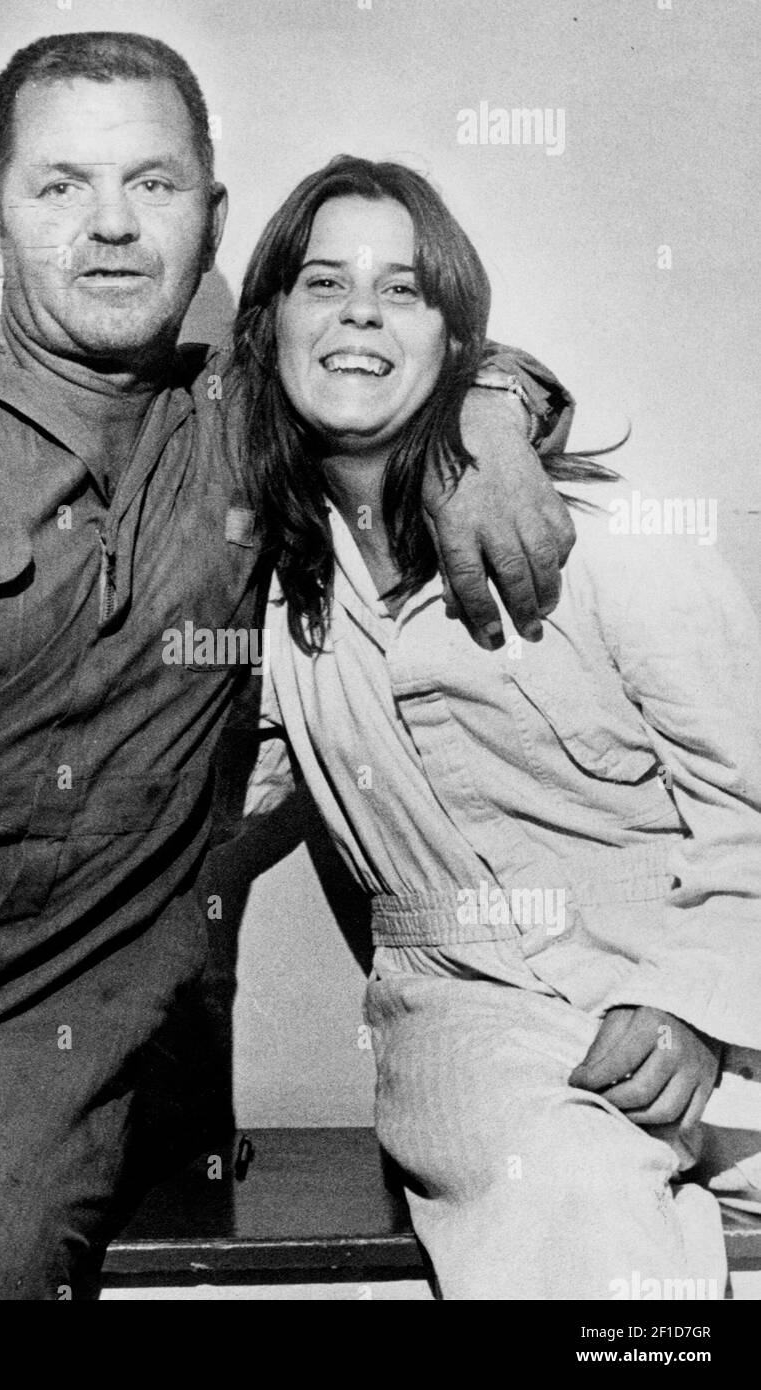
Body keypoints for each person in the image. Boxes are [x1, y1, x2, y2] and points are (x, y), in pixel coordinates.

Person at [0, 35, 573, 1299]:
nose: (109, 229)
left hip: (29, 1068)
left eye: (151, 186)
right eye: (61, 188)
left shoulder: (252, 430)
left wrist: (492, 415)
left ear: (208, 224)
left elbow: (405, 356)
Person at [233, 155, 761, 1300]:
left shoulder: (615, 550)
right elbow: (195, 812)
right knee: (565, 1190)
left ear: (455, 343)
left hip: (713, 999)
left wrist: (692, 1003)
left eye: (405, 288)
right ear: (268, 325)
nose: (362, 309)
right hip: (469, 1012)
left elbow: (751, 808)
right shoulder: (271, 612)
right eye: (324, 283)